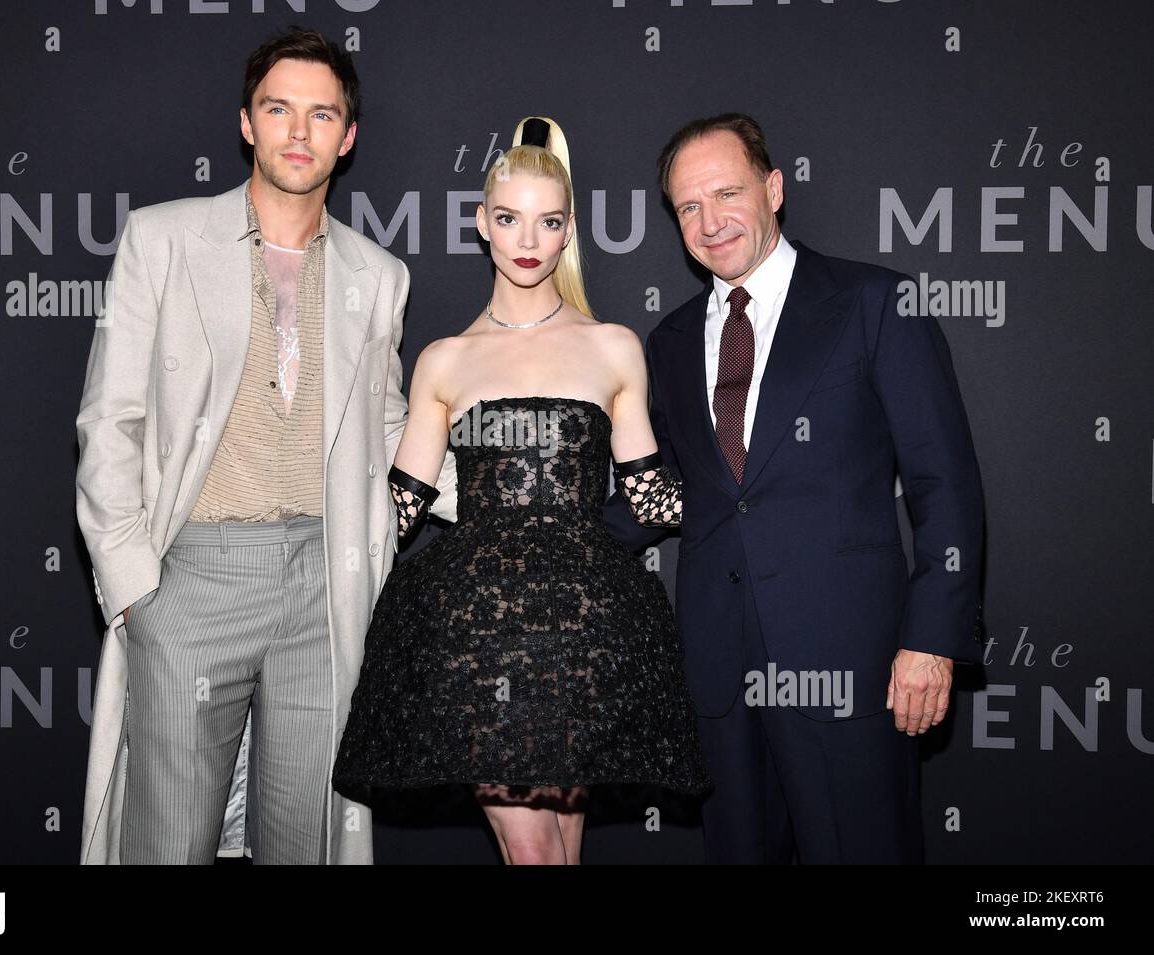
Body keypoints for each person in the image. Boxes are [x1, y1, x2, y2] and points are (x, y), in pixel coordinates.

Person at [74, 26, 456, 864]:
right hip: (192, 580)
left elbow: (388, 425)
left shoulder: (377, 274)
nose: (297, 131)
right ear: (247, 122)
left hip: (323, 588)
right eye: (278, 109)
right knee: (165, 841)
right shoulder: (162, 240)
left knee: (305, 840)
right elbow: (110, 419)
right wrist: (138, 589)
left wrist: (506, 495)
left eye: (321, 115)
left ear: (346, 138)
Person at [603, 113, 985, 863]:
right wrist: (539, 534)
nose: (710, 222)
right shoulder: (670, 342)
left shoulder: (875, 304)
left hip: (851, 665)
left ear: (773, 189)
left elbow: (946, 481)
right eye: (688, 206)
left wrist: (931, 639)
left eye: (727, 193)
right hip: (719, 670)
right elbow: (670, 490)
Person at [331, 116, 712, 865]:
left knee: (559, 851)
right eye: (509, 219)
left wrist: (756, 499)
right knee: (534, 850)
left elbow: (646, 496)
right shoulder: (443, 360)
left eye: (547, 221)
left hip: (583, 633)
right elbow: (399, 509)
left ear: (569, 230)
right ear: (482, 224)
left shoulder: (613, 346)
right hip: (479, 632)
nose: (527, 239)